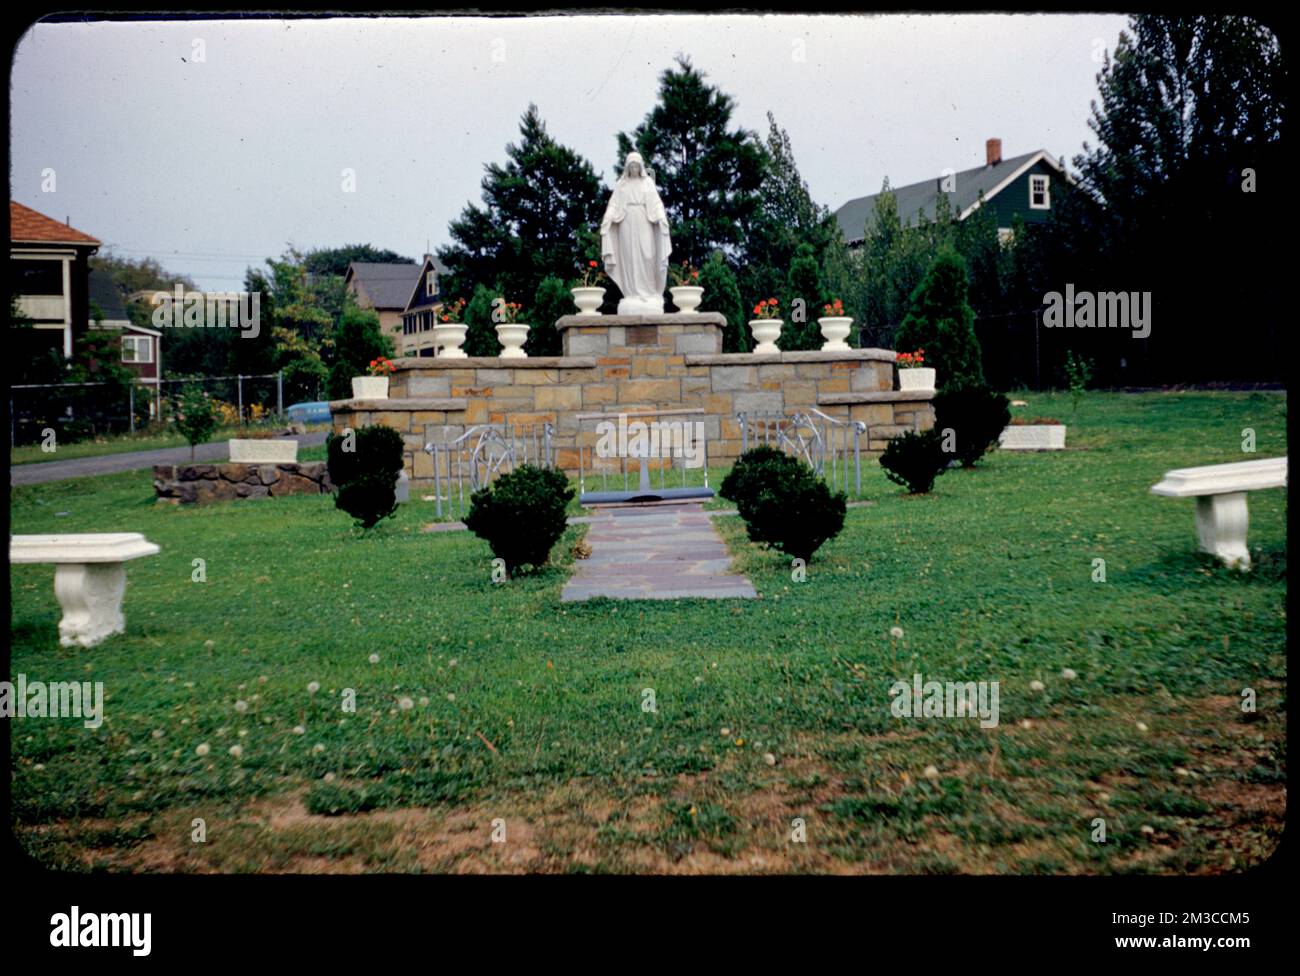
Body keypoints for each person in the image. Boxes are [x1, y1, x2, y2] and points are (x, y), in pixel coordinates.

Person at [600, 151, 672, 314]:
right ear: (627, 167)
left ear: (640, 167)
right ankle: (632, 293)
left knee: (648, 255)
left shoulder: (647, 184)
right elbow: (614, 204)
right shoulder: (622, 184)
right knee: (629, 257)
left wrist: (661, 218)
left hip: (644, 220)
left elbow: (656, 204)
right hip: (626, 222)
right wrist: (608, 218)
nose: (633, 169)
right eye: (631, 166)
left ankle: (649, 292)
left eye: (636, 166)